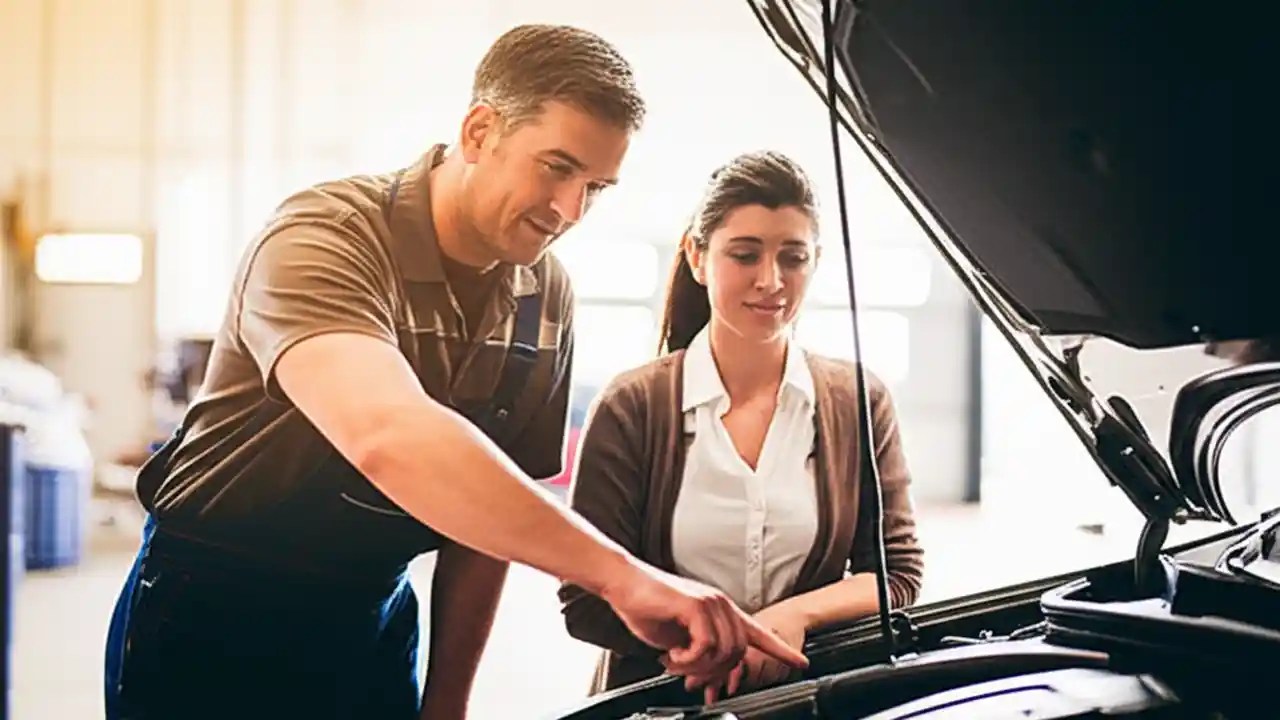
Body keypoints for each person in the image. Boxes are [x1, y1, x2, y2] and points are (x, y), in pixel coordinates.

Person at [101, 25, 806, 720]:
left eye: (596, 187)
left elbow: (486, 518)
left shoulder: (545, 294)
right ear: (479, 132)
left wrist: (448, 701)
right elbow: (387, 435)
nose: (569, 212)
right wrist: (620, 577)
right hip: (213, 605)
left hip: (371, 614)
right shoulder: (325, 235)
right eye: (556, 168)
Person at [558, 151, 925, 699]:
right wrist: (714, 646)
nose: (771, 280)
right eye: (745, 255)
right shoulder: (632, 405)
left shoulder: (859, 401)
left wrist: (789, 620)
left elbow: (898, 575)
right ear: (698, 257)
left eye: (794, 257)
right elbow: (586, 602)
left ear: (816, 261)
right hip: (661, 699)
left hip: (805, 697)